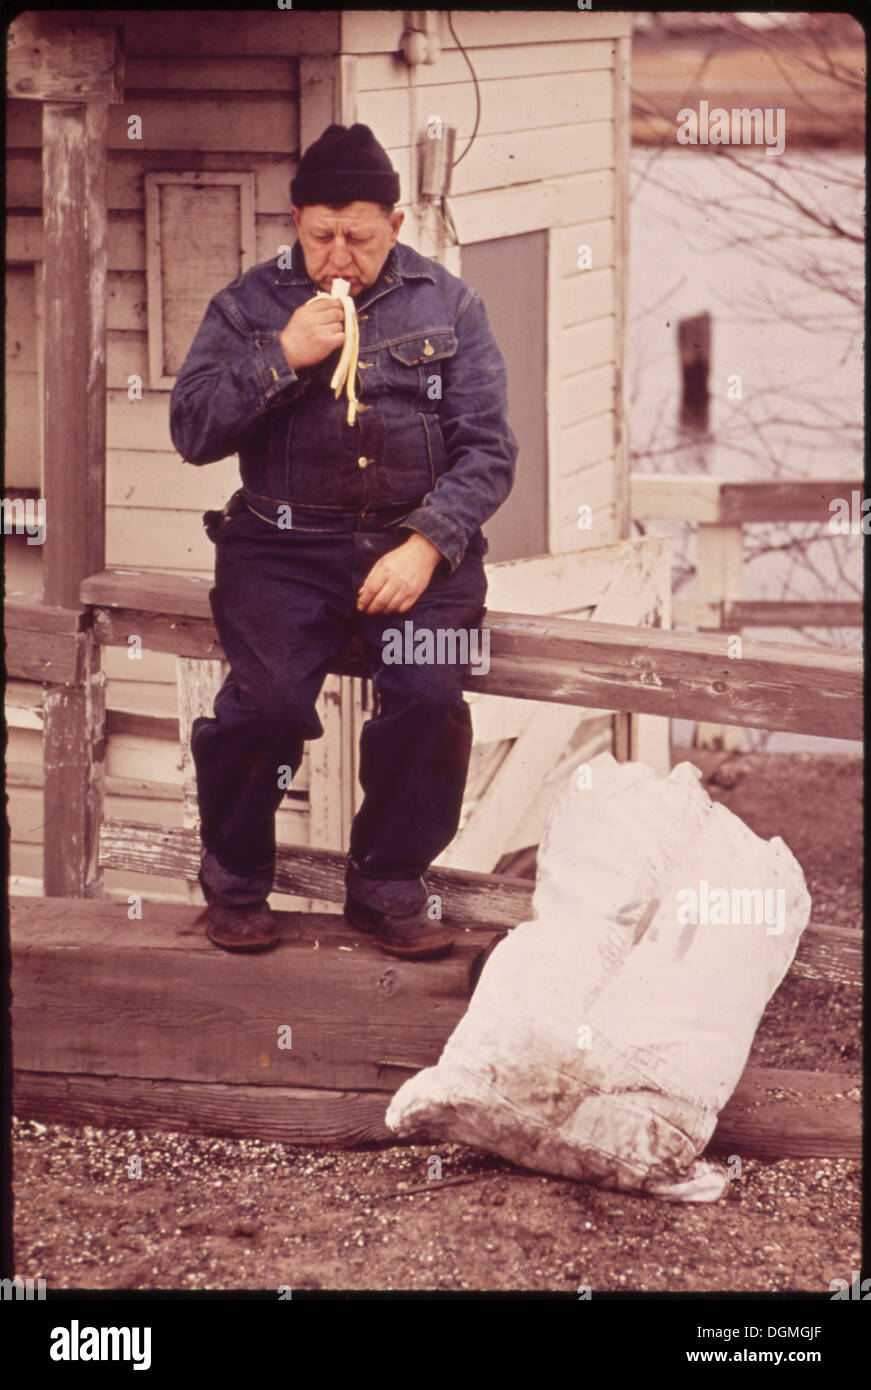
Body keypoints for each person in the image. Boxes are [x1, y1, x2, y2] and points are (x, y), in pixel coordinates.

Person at [170, 123, 517, 960]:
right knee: (268, 707)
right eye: (319, 233)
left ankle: (388, 881)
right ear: (295, 219)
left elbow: (488, 449)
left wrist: (428, 544)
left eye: (358, 236)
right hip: (279, 551)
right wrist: (281, 356)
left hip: (415, 551)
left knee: (431, 700)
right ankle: (238, 878)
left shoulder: (450, 304)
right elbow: (190, 429)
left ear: (394, 226)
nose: (338, 255)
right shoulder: (247, 306)